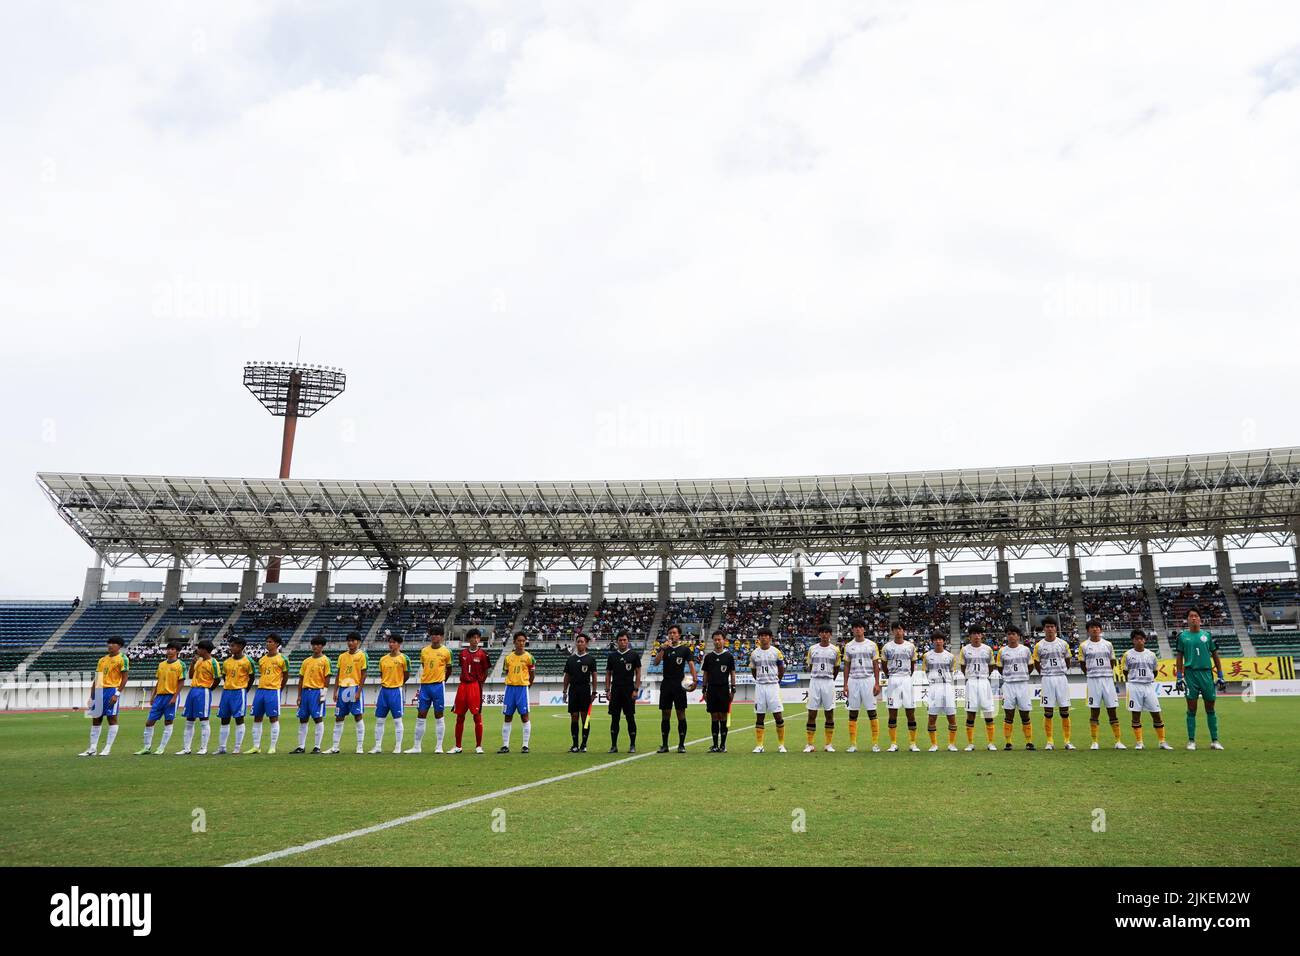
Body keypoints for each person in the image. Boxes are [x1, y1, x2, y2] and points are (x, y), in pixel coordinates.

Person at [1174, 609, 1226, 750]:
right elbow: (1179, 658)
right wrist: (1179, 677)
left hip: (1207, 674)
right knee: (1191, 708)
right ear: (1187, 620)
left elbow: (1215, 656)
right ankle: (1191, 741)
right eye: (1191, 616)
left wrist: (1220, 675)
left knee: (1210, 707)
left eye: (1196, 616)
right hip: (1191, 675)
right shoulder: (1183, 637)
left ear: (1200, 619)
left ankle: (1215, 741)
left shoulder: (1207, 636)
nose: (1194, 618)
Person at [1122, 629, 1172, 750]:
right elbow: (1125, 671)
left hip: (1148, 686)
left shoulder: (1151, 654)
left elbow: (1154, 671)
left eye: (1141, 638)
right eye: (1136, 639)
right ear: (1133, 641)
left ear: (1145, 640)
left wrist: (1147, 679)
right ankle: (1139, 742)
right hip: (1134, 686)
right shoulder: (1127, 654)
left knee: (1156, 713)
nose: (1139, 641)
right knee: (1135, 715)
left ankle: (1162, 741)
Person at [1079, 620, 1125, 750]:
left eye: (1097, 627)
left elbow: (1112, 661)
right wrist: (1091, 673)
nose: (1095, 629)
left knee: (1112, 710)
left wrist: (1106, 672)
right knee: (1094, 711)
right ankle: (1094, 742)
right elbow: (1082, 664)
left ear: (1101, 629)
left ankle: (1118, 741)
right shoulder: (1084, 645)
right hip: (1093, 680)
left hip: (1107, 680)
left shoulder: (1108, 644)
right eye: (1092, 627)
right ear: (1088, 630)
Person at [1032, 617, 1076, 750]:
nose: (1050, 629)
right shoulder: (1039, 645)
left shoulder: (1063, 644)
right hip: (1047, 679)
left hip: (1061, 678)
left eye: (1052, 626)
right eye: (1047, 627)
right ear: (1044, 629)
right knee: (1048, 711)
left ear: (1056, 628)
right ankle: (1049, 742)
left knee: (1064, 710)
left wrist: (1061, 670)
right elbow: (1036, 663)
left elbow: (1068, 660)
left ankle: (1067, 741)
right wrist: (1046, 673)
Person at [408, 625, 452, 754]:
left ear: (442, 637)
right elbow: (424, 665)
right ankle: (417, 747)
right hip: (425, 686)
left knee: (439, 715)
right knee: (421, 714)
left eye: (437, 634)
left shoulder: (446, 652)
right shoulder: (424, 651)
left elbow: (449, 669)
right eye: (432, 634)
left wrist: (442, 680)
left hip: (438, 686)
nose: (435, 636)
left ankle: (439, 746)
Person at [80, 636, 128, 756]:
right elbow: (97, 678)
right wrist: (91, 696)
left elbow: (125, 678)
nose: (110, 645)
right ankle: (92, 748)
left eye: (113, 643)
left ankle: (107, 748)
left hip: (112, 690)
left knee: (111, 718)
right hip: (99, 690)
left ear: (119, 646)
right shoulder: (102, 660)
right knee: (96, 719)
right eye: (109, 643)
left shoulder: (123, 658)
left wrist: (117, 694)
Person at [135, 641, 185, 755]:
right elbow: (159, 681)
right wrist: (153, 696)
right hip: (159, 697)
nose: (169, 651)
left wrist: (174, 697)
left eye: (172, 649)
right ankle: (146, 748)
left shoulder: (180, 665)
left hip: (171, 696)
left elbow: (181, 683)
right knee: (149, 722)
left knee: (168, 722)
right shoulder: (161, 664)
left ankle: (161, 748)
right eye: (168, 648)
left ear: (177, 651)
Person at [654, 624, 696, 753]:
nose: (672, 635)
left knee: (680, 714)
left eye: (674, 632)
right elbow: (656, 662)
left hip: (679, 685)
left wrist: (695, 680)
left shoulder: (684, 650)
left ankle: (681, 745)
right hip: (666, 684)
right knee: (665, 714)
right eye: (670, 633)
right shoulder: (664, 648)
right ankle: (665, 745)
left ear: (679, 635)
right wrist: (662, 648)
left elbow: (691, 664)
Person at [842, 619, 881, 753]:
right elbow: (846, 666)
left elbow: (876, 665)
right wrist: (845, 684)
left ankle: (875, 744)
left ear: (864, 629)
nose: (858, 629)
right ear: (852, 630)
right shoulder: (848, 646)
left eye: (860, 627)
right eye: (855, 627)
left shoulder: (872, 645)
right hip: (853, 680)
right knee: (853, 713)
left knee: (872, 712)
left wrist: (877, 682)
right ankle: (853, 744)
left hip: (868, 680)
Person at [451, 628, 490, 754]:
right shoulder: (462, 654)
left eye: (478, 637)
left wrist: (480, 684)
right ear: (468, 639)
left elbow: (485, 671)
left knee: (477, 716)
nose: (476, 640)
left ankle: (478, 746)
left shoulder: (483, 654)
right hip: (463, 686)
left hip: (475, 686)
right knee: (460, 716)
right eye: (473, 637)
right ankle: (458, 746)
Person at [959, 624, 998, 751]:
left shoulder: (987, 649)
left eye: (979, 633)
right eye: (974, 633)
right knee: (970, 713)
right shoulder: (964, 650)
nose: (977, 636)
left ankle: (991, 743)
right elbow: (963, 667)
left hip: (984, 681)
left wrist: (984, 675)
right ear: (969, 636)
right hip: (971, 682)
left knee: (988, 712)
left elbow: (991, 665)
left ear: (982, 635)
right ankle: (970, 743)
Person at [177, 639, 219, 755]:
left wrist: (209, 689)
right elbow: (190, 675)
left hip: (203, 691)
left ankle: (203, 748)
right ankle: (186, 748)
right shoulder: (198, 660)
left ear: (205, 650)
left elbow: (217, 678)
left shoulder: (213, 662)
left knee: (204, 719)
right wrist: (192, 664)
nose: (197, 650)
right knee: (189, 720)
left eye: (199, 648)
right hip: (193, 690)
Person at [328, 632, 368, 754]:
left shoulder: (362, 656)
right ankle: (335, 747)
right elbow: (338, 674)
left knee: (358, 716)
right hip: (342, 689)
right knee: (339, 717)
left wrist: (359, 692)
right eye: (349, 640)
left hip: (354, 688)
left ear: (358, 642)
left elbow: (364, 675)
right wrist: (335, 691)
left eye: (353, 640)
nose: (350, 643)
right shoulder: (342, 656)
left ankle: (360, 746)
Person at [248, 634, 288, 754]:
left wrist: (279, 689)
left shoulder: (282, 659)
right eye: (267, 641)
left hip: (273, 690)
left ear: (276, 644)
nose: (267, 643)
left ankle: (272, 746)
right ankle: (256, 746)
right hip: (261, 690)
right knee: (257, 717)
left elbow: (285, 675)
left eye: (270, 642)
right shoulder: (262, 659)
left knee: (273, 718)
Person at [370, 633, 410, 754]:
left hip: (396, 691)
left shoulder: (404, 658)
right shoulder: (383, 659)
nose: (391, 644)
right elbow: (382, 675)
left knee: (397, 720)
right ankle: (378, 746)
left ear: (399, 644)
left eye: (393, 642)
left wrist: (398, 683)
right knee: (379, 720)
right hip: (384, 691)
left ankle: (398, 746)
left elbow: (406, 674)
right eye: (390, 642)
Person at [882, 623, 919, 752]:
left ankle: (913, 743)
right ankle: (893, 743)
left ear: (904, 631)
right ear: (892, 631)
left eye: (900, 629)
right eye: (896, 629)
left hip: (906, 679)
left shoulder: (910, 646)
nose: (898, 631)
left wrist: (907, 676)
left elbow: (913, 664)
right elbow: (884, 664)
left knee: (910, 711)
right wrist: (890, 676)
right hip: (893, 679)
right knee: (892, 711)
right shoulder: (887, 647)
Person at [997, 625, 1034, 750]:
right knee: (1009, 714)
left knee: (1025, 714)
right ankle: (1008, 742)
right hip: (1008, 685)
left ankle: (1029, 742)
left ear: (1018, 636)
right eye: (1009, 634)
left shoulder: (1026, 650)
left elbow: (1030, 666)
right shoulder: (1002, 651)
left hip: (1022, 684)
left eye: (1014, 633)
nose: (1011, 636)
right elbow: (1000, 668)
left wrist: (1022, 675)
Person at [804, 625, 840, 752]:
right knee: (812, 713)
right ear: (819, 634)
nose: (824, 634)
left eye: (827, 632)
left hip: (828, 682)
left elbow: (836, 668)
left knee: (829, 712)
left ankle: (828, 744)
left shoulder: (835, 650)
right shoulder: (812, 649)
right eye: (822, 632)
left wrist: (830, 679)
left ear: (830, 634)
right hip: (815, 682)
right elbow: (810, 666)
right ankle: (809, 744)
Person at [750, 628, 787, 753]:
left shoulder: (776, 652)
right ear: (758, 638)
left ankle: (781, 745)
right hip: (760, 686)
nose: (764, 638)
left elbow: (781, 668)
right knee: (760, 716)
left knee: (778, 715)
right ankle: (759, 745)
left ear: (770, 638)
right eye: (761, 636)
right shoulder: (754, 653)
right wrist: (759, 680)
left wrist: (777, 680)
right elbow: (753, 670)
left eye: (766, 636)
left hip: (773, 686)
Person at [292, 636, 331, 754]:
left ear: (322, 646)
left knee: (318, 718)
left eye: (318, 645)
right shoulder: (306, 661)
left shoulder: (325, 660)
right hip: (305, 692)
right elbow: (301, 679)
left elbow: (327, 678)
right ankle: (301, 746)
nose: (315, 647)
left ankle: (317, 746)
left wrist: (323, 695)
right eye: (314, 644)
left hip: (317, 691)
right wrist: (299, 696)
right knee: (303, 719)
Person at [605, 630, 641, 753]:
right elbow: (608, 673)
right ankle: (614, 745)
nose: (622, 642)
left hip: (629, 690)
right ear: (617, 642)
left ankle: (632, 745)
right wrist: (607, 689)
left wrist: (636, 689)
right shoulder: (612, 656)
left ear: (628, 641)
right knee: (614, 718)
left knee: (630, 717)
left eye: (624, 640)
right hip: (615, 690)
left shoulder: (634, 655)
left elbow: (638, 672)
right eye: (620, 640)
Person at [499, 631, 535, 753]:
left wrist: (526, 686)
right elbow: (506, 672)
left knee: (524, 717)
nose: (521, 643)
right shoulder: (508, 658)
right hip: (510, 688)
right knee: (507, 716)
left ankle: (525, 745)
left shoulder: (529, 657)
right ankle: (505, 745)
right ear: (514, 642)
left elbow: (532, 675)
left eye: (523, 641)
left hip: (522, 688)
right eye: (519, 640)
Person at [216, 636, 253, 755]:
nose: (231, 648)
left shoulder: (248, 661)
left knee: (239, 718)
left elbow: (251, 677)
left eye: (233, 645)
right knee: (224, 719)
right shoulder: (227, 661)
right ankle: (222, 747)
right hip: (227, 691)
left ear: (241, 647)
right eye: (230, 645)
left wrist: (244, 689)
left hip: (239, 691)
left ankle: (237, 747)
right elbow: (224, 676)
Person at [702, 630, 737, 753]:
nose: (717, 642)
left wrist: (733, 688)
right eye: (715, 640)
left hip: (723, 689)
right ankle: (715, 745)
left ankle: (723, 745)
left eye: (719, 639)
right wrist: (704, 689)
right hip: (711, 689)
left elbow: (732, 673)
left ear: (724, 641)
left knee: (722, 716)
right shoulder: (708, 657)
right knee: (713, 716)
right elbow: (705, 673)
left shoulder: (728, 656)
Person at [922, 633, 958, 752]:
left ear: (944, 641)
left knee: (951, 716)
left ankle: (951, 744)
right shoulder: (927, 656)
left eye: (940, 639)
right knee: (932, 717)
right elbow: (925, 672)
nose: (938, 641)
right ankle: (934, 744)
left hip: (947, 686)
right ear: (932, 641)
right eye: (936, 639)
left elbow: (952, 671)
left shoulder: (950, 656)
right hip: (933, 687)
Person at [563, 633, 597, 752]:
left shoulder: (591, 659)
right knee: (574, 716)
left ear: (586, 643)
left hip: (585, 689)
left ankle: (584, 744)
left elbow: (594, 676)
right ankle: (575, 744)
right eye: (578, 641)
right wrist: (564, 691)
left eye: (582, 641)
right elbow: (567, 676)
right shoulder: (571, 659)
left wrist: (594, 691)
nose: (580, 643)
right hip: (573, 690)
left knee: (585, 717)